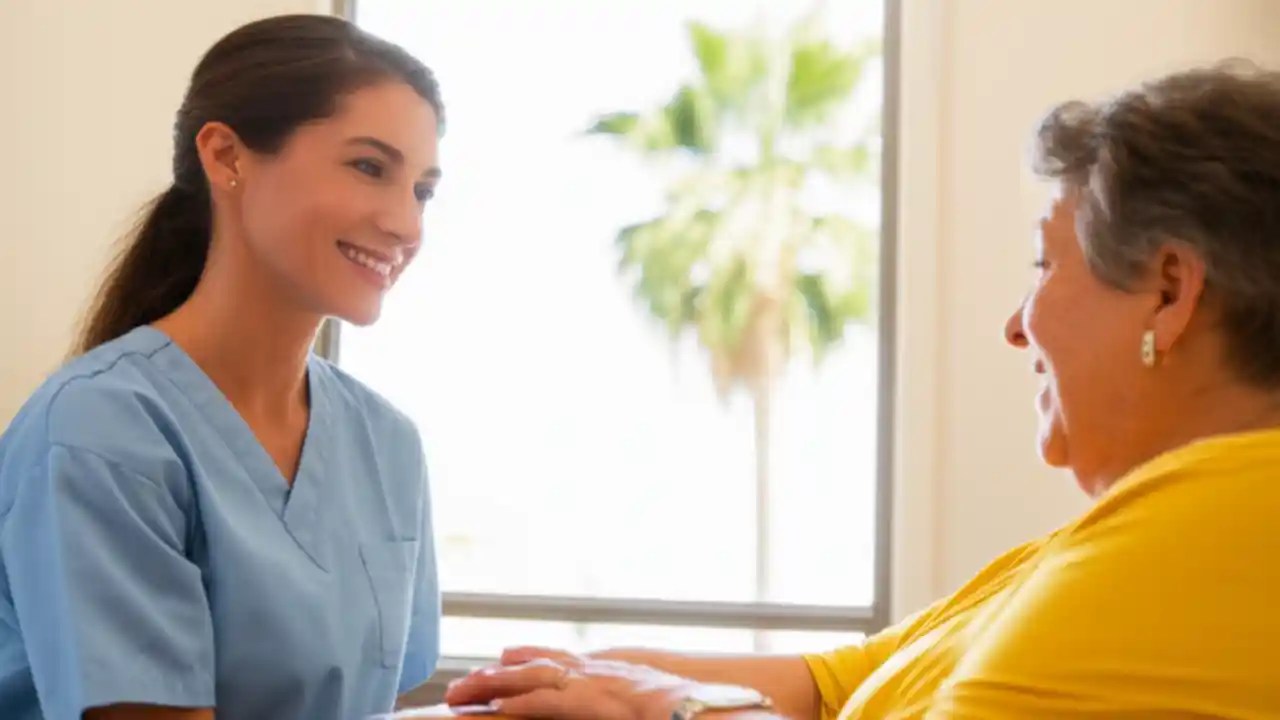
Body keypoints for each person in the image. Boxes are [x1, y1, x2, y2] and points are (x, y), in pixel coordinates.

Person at [445, 62, 1280, 719]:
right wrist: (570, 675)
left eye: (1044, 265)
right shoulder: (1123, 535)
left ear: (1169, 293)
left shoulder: (1223, 522)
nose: (1017, 327)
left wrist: (671, 705)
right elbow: (830, 686)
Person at [0, 14, 444, 720]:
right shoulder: (100, 430)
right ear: (227, 156)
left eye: (423, 190)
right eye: (369, 168)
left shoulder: (388, 444)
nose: (406, 224)